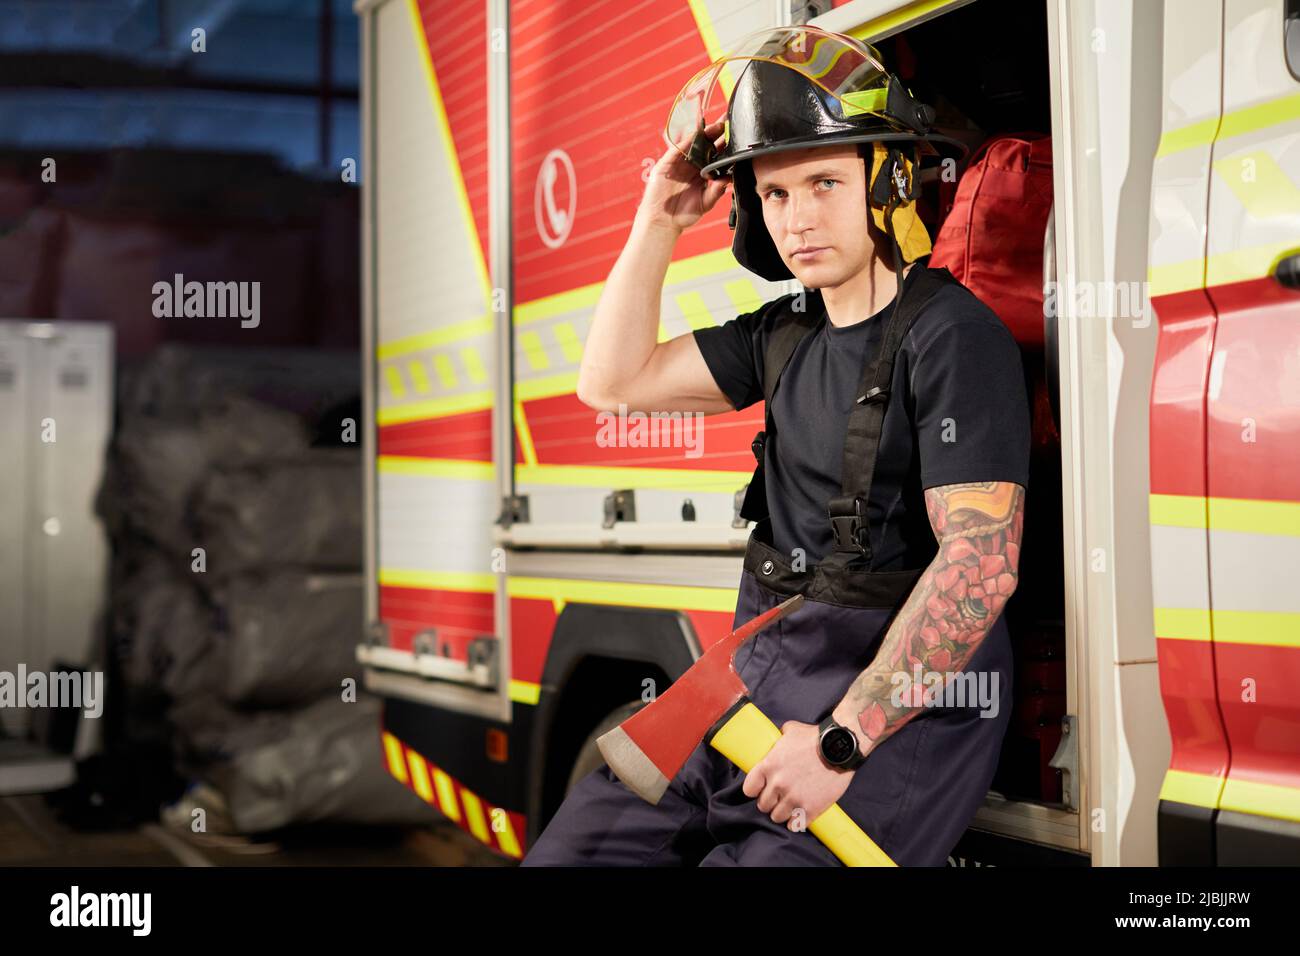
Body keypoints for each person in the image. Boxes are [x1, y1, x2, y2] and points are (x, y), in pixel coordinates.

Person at [522, 25, 1030, 866]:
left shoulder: (952, 338)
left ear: (888, 181)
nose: (798, 219)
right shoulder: (782, 334)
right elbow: (611, 383)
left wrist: (840, 743)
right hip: (750, 669)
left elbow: (979, 568)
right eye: (775, 194)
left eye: (825, 182)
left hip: (884, 706)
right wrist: (658, 214)